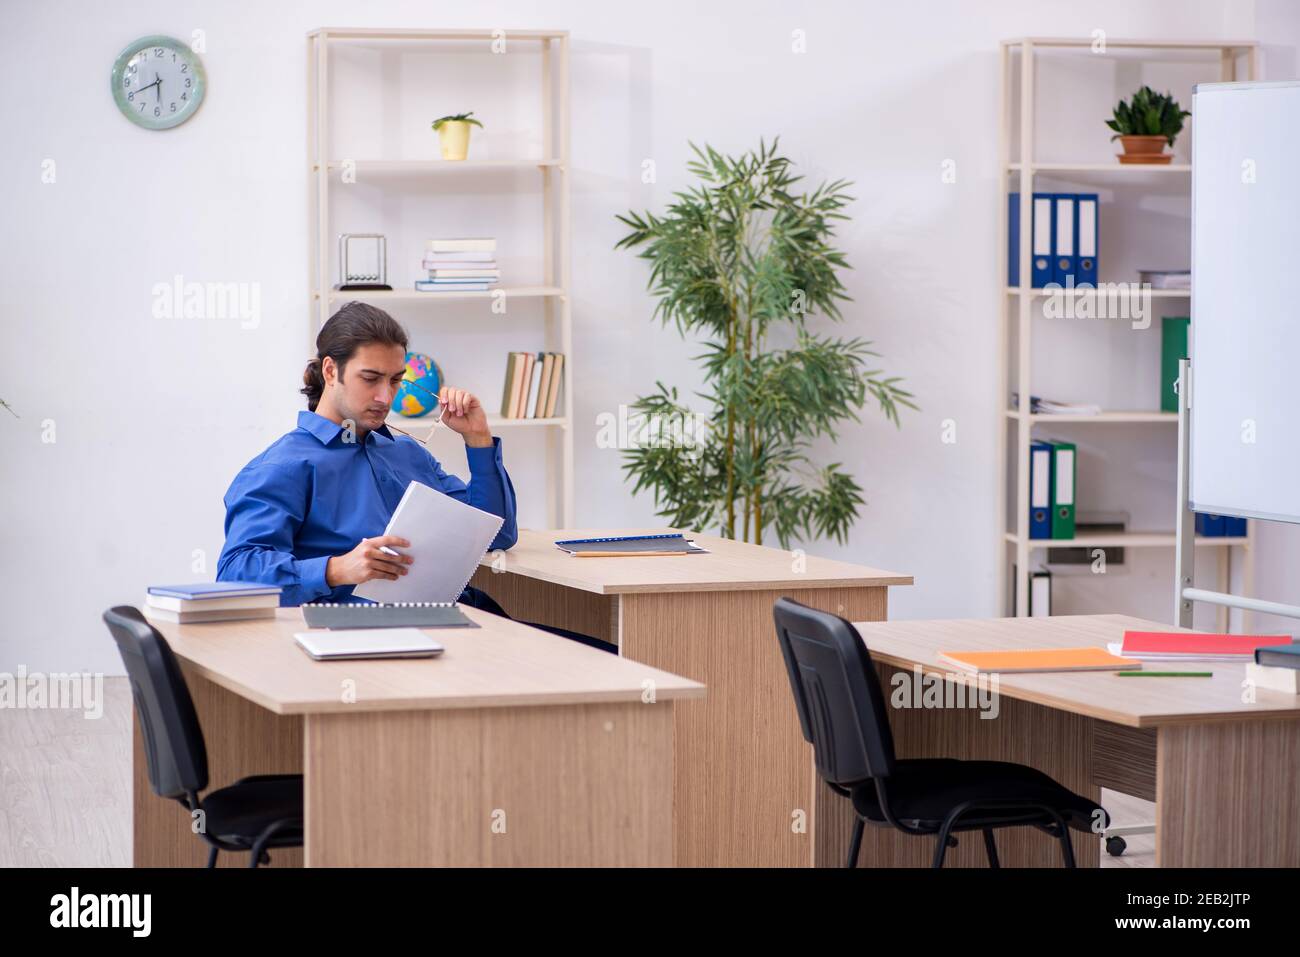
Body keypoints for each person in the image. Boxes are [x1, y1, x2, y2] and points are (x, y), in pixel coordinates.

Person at [216, 301, 612, 651]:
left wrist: (477, 439)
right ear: (331, 371)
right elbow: (236, 573)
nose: (385, 397)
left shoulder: (404, 452)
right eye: (370, 379)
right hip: (374, 639)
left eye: (395, 380)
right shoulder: (282, 466)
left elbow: (496, 534)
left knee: (613, 658)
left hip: (458, 622)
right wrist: (337, 568)